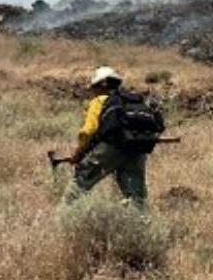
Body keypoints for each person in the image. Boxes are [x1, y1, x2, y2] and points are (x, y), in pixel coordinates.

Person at [68, 66, 162, 204]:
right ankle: (141, 221)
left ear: (101, 85)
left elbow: (87, 131)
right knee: (136, 195)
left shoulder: (99, 101)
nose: (93, 91)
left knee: (80, 182)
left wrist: (78, 153)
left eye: (94, 87)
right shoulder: (128, 101)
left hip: (110, 148)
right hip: (136, 148)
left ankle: (64, 215)